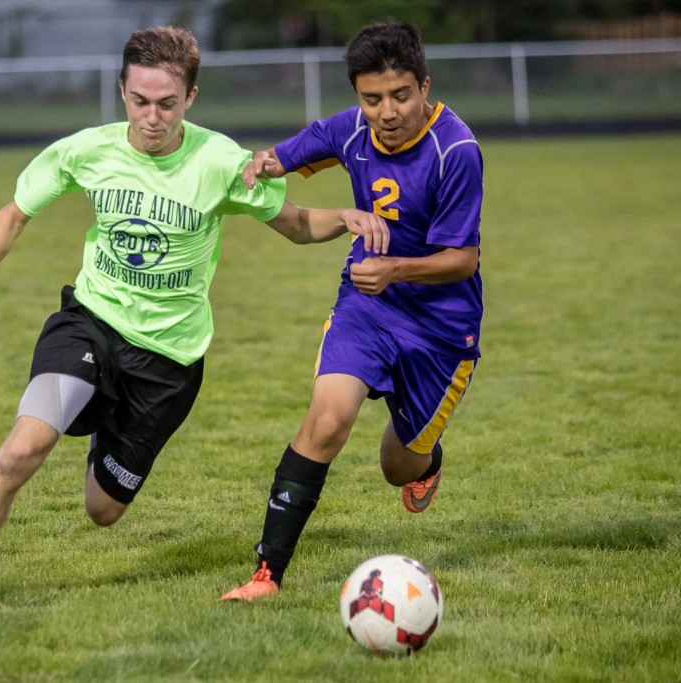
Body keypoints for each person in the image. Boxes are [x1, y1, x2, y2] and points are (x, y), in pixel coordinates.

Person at [0, 26, 388, 618]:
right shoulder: (87, 150)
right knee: (23, 448)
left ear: (191, 98)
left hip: (167, 363)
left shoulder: (220, 162)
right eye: (138, 102)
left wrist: (346, 217)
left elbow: (294, 222)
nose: (151, 117)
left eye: (166, 104)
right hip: (90, 325)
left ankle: (106, 425)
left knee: (103, 511)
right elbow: (15, 212)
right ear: (121, 92)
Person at [220, 19, 483, 601]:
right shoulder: (350, 131)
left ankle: (426, 459)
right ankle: (267, 573)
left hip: (441, 330)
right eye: (371, 99)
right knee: (327, 421)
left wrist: (395, 268)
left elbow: (463, 259)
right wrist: (257, 165)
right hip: (366, 307)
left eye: (400, 96)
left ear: (424, 86)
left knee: (398, 467)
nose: (387, 112)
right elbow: (277, 159)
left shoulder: (456, 150)